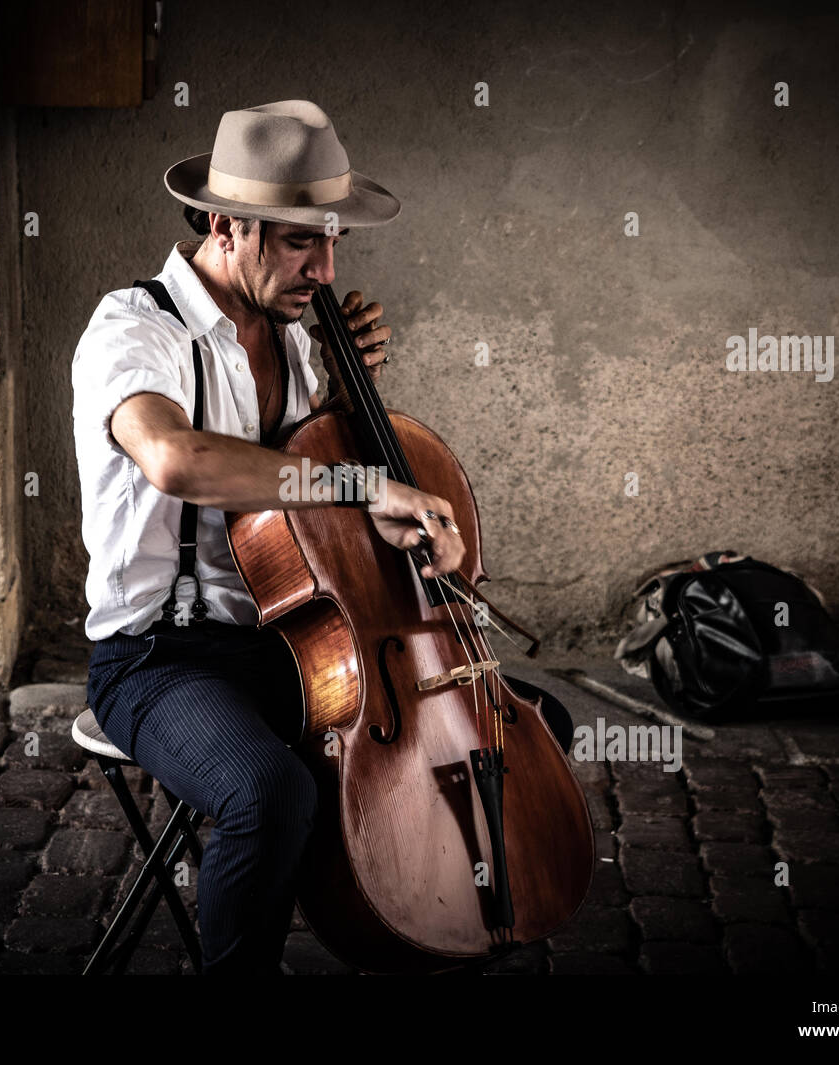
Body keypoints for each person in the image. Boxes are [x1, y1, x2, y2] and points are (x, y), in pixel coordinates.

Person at [73, 100, 574, 975]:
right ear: (229, 224)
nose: (327, 266)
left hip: (297, 644)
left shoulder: (304, 345)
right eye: (303, 241)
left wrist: (353, 419)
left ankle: (428, 928)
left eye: (332, 239)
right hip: (162, 659)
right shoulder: (134, 330)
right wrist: (357, 477)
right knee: (270, 792)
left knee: (521, 728)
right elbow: (178, 459)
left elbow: (317, 542)